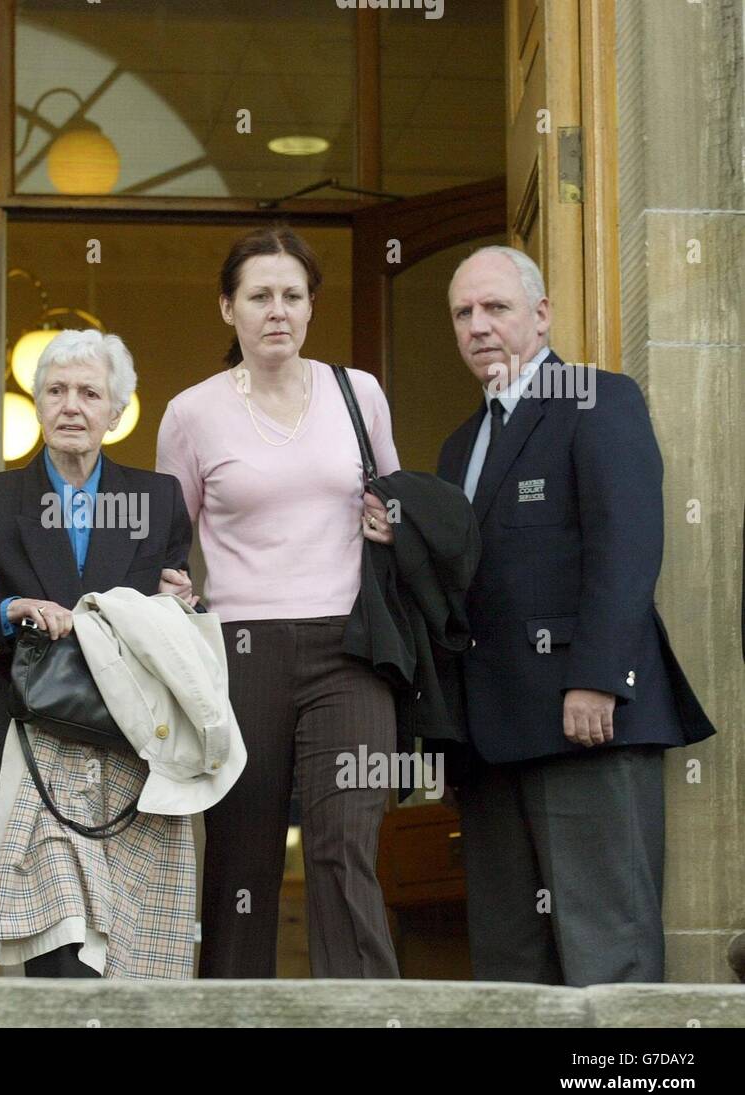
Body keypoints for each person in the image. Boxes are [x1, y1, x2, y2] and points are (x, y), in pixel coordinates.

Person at [437, 245, 714, 985]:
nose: (478, 326)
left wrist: (596, 677)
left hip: (584, 720)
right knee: (509, 967)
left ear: (542, 314)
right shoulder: (459, 445)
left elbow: (628, 546)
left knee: (607, 950)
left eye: (495, 307)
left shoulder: (598, 397)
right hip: (490, 741)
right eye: (463, 313)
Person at [156, 225, 402, 980]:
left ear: (310, 307)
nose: (277, 311)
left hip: (350, 647)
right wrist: (174, 583)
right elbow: (169, 541)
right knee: (241, 853)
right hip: (240, 652)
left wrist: (389, 525)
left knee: (345, 841)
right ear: (228, 308)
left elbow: (398, 508)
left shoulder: (358, 393)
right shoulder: (192, 412)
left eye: (293, 295)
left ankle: (367, 1015)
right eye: (259, 295)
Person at [0, 329, 195, 977]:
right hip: (30, 745)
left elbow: (171, 616)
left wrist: (182, 606)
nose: (72, 405)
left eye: (89, 392)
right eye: (56, 390)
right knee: (58, 948)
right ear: (37, 403)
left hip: (131, 744)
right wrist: (5, 612)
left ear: (117, 412)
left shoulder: (157, 502)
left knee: (126, 952)